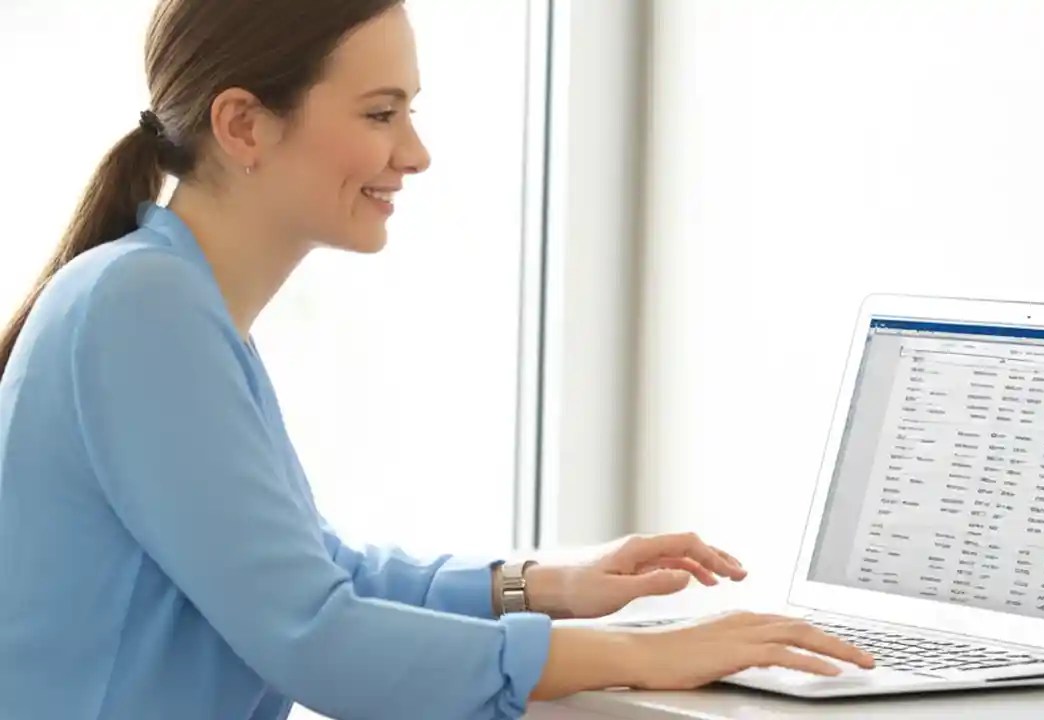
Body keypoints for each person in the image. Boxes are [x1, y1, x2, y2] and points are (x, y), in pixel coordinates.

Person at [0, 1, 873, 718]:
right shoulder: (143, 309)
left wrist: (543, 586)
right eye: (381, 114)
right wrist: (647, 655)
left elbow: (315, 574)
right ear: (243, 125)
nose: (413, 153)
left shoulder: (158, 297)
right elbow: (319, 640)